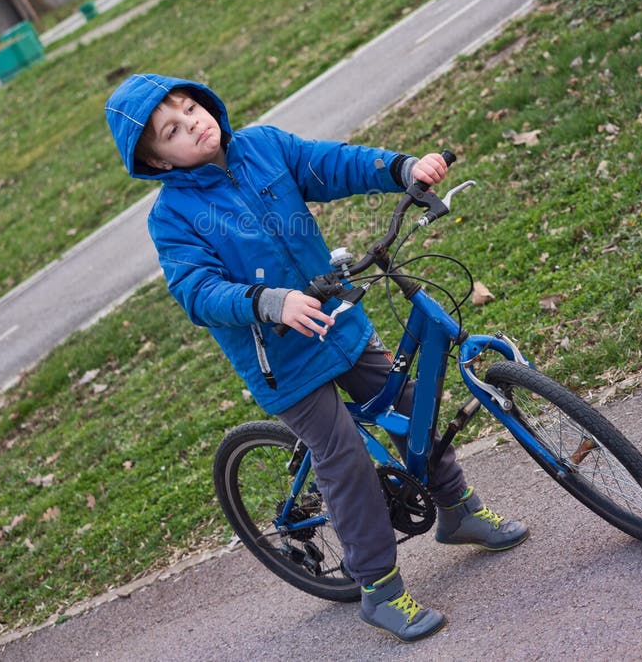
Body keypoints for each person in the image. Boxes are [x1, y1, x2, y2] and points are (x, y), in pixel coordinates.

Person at [105, 73, 529, 643]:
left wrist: (399, 168)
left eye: (190, 107)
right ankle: (379, 589)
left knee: (409, 400)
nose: (194, 122)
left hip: (338, 323)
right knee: (344, 455)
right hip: (282, 359)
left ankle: (458, 510)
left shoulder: (262, 146)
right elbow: (196, 291)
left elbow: (331, 165)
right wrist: (270, 302)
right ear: (157, 162)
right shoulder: (173, 217)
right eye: (173, 130)